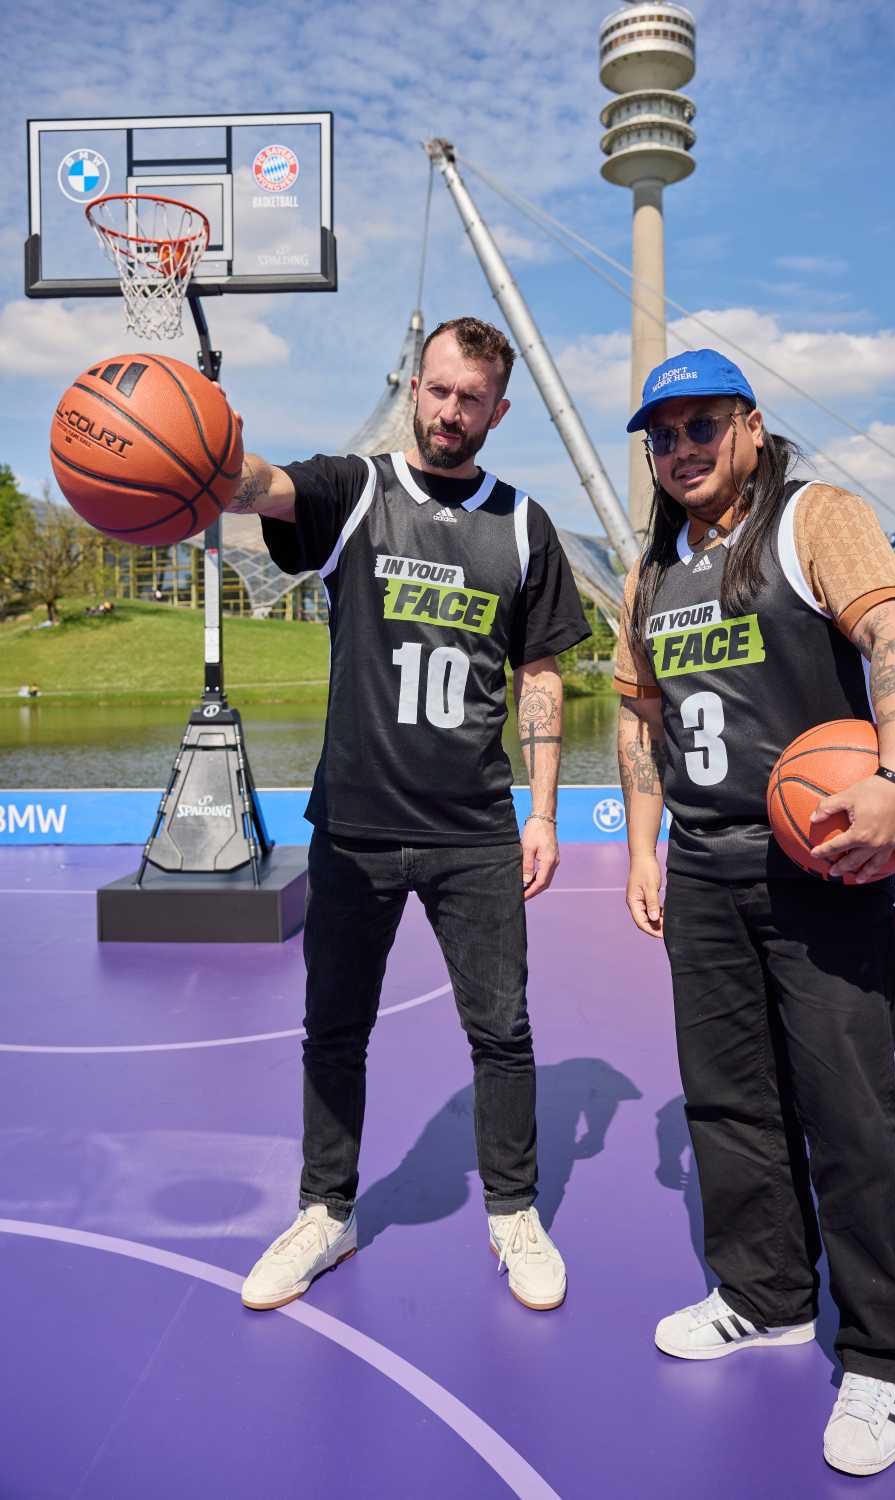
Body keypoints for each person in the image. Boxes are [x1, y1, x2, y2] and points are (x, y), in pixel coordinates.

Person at [229, 316, 590, 1314]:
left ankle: (513, 1214)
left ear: (497, 411)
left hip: (474, 829)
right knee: (333, 1030)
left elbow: (543, 673)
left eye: (470, 398)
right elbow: (261, 487)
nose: (449, 411)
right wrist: (216, 450)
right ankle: (325, 1213)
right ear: (414, 388)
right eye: (437, 390)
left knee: (502, 1031)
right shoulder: (358, 490)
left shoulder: (523, 524)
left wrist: (544, 812)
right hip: (353, 824)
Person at [614, 349, 895, 1478]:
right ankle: (764, 1297)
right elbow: (641, 715)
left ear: (749, 426)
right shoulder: (652, 570)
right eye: (662, 434)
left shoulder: (814, 517)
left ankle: (882, 1360)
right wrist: (642, 844)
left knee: (849, 1116)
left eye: (702, 426)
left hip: (819, 866)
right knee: (729, 1105)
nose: (681, 449)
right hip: (702, 869)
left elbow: (892, 632)